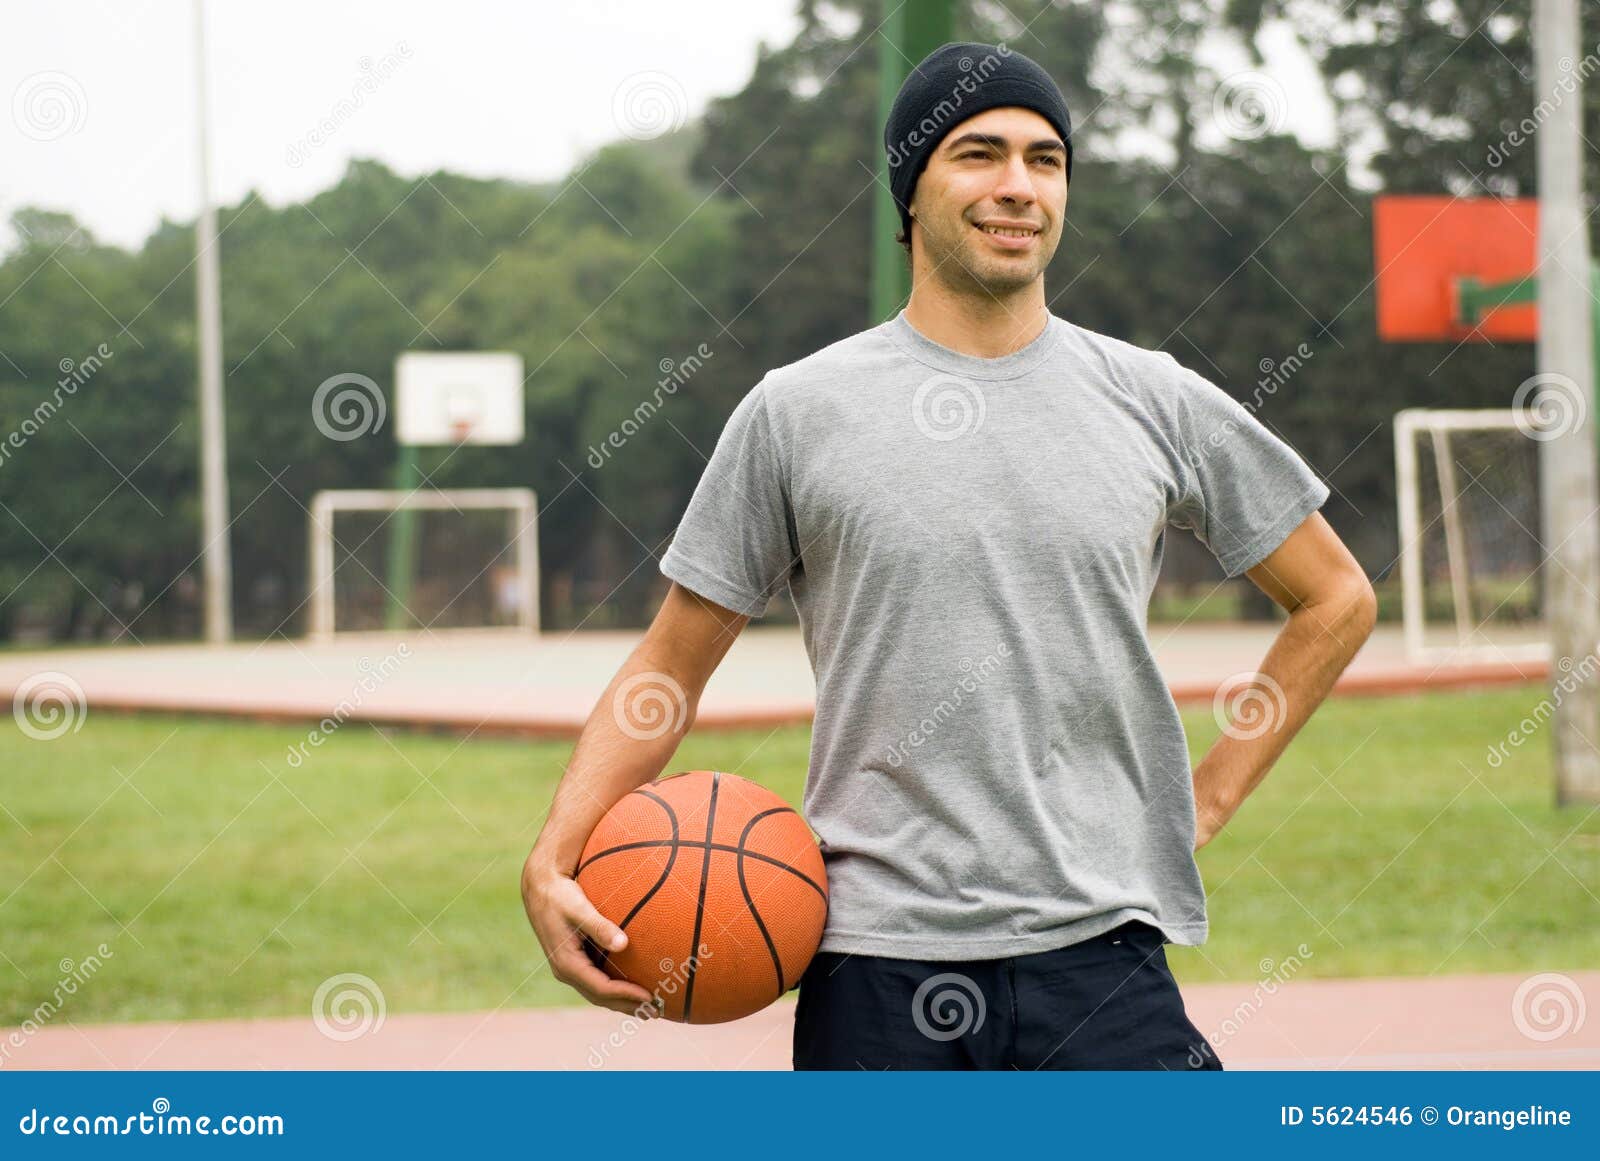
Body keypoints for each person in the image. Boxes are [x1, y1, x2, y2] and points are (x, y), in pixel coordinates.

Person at [521, 41, 1376, 1070]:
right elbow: (668, 664)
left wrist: (1216, 792)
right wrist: (557, 852)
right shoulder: (797, 414)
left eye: (1045, 160)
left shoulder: (1154, 400)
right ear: (909, 193)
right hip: (874, 969)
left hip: (1102, 959)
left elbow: (1332, 597)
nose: (1018, 186)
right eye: (979, 155)